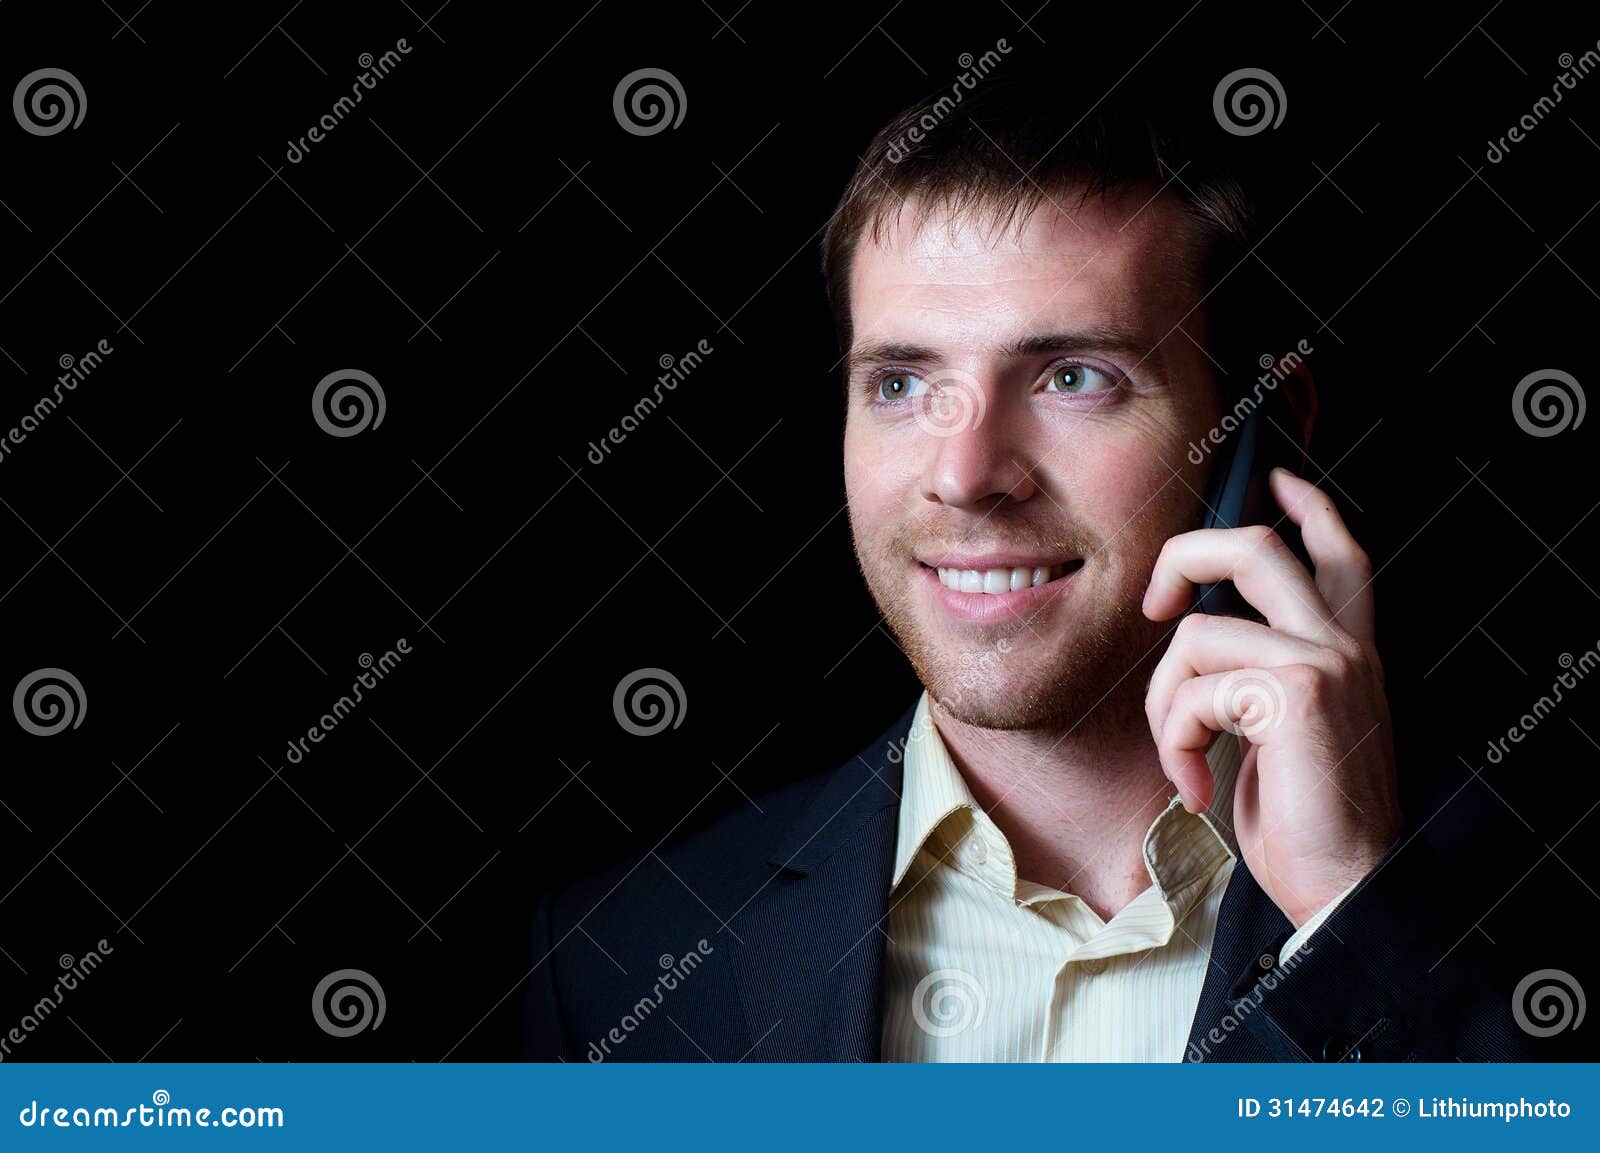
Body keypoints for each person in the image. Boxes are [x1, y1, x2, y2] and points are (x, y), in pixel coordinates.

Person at [525, 75, 1544, 1063]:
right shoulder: (625, 962)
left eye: (1071, 377)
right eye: (900, 382)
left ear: (1265, 427)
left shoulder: (1529, 914)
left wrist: (1349, 915)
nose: (966, 476)